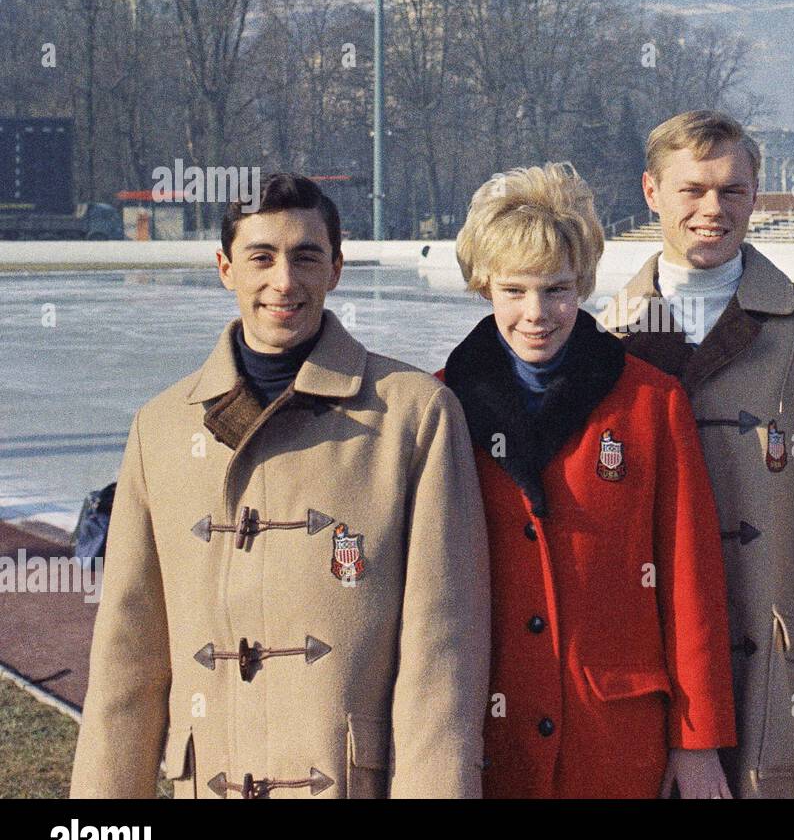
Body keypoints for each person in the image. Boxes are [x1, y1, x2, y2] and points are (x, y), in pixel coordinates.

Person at [71, 173, 491, 799]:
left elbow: (443, 654)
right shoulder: (160, 429)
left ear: (337, 269)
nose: (284, 281)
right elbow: (126, 658)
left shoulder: (414, 413)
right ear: (224, 268)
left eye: (306, 256)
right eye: (261, 257)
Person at [598, 111, 794, 799]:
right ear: (652, 192)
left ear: (756, 193)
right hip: (646, 683)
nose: (713, 209)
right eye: (693, 190)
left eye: (732, 191)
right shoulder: (602, 343)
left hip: (780, 682)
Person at [438, 162, 736, 799]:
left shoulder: (652, 403)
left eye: (557, 289)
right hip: (490, 736)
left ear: (584, 284)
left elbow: (691, 578)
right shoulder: (440, 406)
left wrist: (698, 740)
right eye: (514, 291)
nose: (536, 313)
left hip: (616, 736)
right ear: (483, 286)